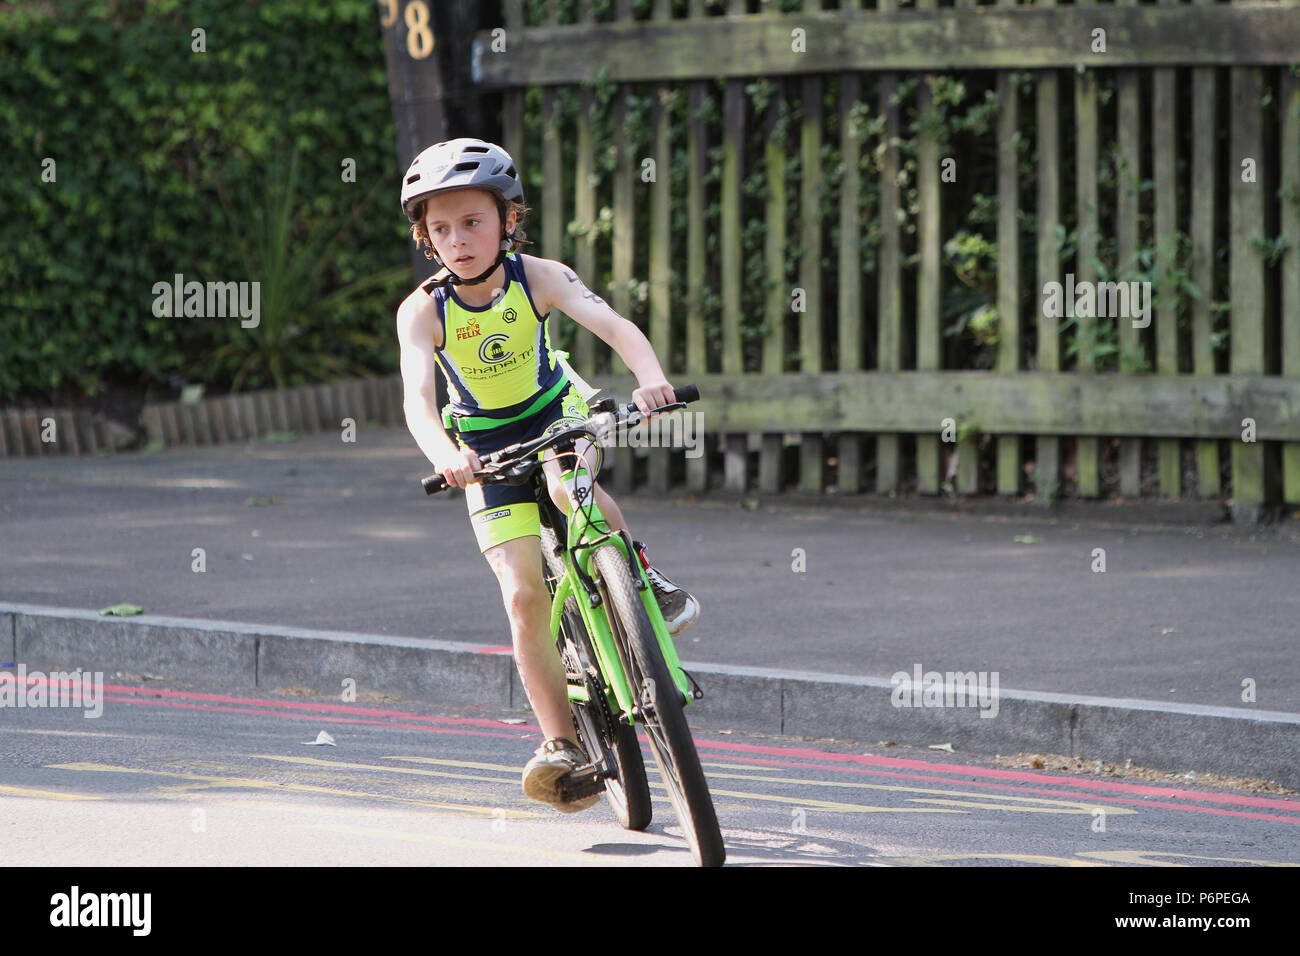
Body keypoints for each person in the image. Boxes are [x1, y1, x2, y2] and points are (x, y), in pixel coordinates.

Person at [394, 138, 700, 813]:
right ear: (426, 238)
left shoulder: (540, 276)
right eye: (440, 228)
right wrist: (444, 454)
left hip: (555, 413)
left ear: (508, 219)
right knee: (521, 593)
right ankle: (561, 744)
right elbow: (418, 401)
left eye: (472, 221)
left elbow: (611, 325)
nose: (458, 239)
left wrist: (652, 381)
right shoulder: (423, 309)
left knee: (571, 491)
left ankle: (640, 575)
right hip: (484, 449)